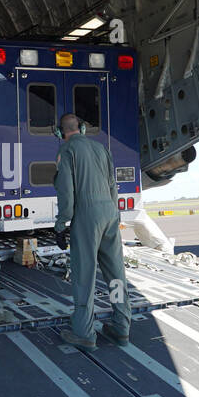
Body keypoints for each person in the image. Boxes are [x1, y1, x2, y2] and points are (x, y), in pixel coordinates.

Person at [53, 112, 131, 351]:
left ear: (60, 132)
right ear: (83, 128)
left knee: (84, 275)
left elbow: (67, 191)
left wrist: (61, 224)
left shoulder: (67, 151)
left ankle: (84, 332)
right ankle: (121, 326)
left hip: (87, 215)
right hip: (110, 212)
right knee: (115, 272)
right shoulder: (101, 149)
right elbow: (112, 185)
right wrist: (115, 214)